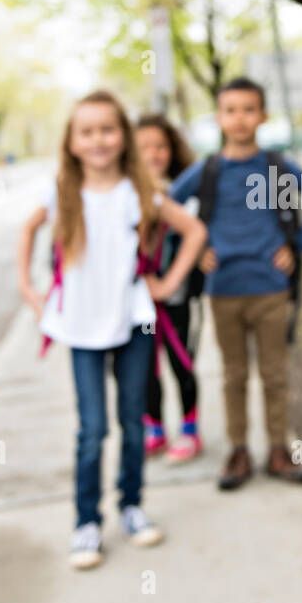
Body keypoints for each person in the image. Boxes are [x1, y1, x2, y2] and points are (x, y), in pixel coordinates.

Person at [18, 91, 205, 570]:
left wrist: (167, 282)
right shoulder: (61, 190)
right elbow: (28, 229)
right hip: (80, 326)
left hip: (134, 322)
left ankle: (132, 507)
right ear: (73, 142)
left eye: (107, 129)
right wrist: (29, 288)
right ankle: (86, 522)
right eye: (87, 131)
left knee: (131, 421)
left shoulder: (139, 193)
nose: (98, 139)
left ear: (122, 137)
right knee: (93, 428)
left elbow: (194, 231)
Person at [169, 77, 302, 490]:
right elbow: (166, 208)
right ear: (219, 118)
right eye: (230, 110)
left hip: (270, 290)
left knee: (274, 374)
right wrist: (194, 248)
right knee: (233, 375)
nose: (239, 118)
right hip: (222, 291)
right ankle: (238, 451)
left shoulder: (276, 166)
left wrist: (295, 247)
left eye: (248, 109)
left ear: (262, 116)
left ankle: (278, 450)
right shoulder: (207, 170)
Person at [135, 114, 204, 463]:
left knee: (182, 362)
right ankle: (155, 428)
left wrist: (170, 283)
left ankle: (190, 431)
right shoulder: (125, 191)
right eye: (143, 146)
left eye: (160, 146)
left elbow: (200, 234)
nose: (153, 153)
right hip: (138, 302)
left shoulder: (187, 190)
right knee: (145, 366)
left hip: (177, 296)